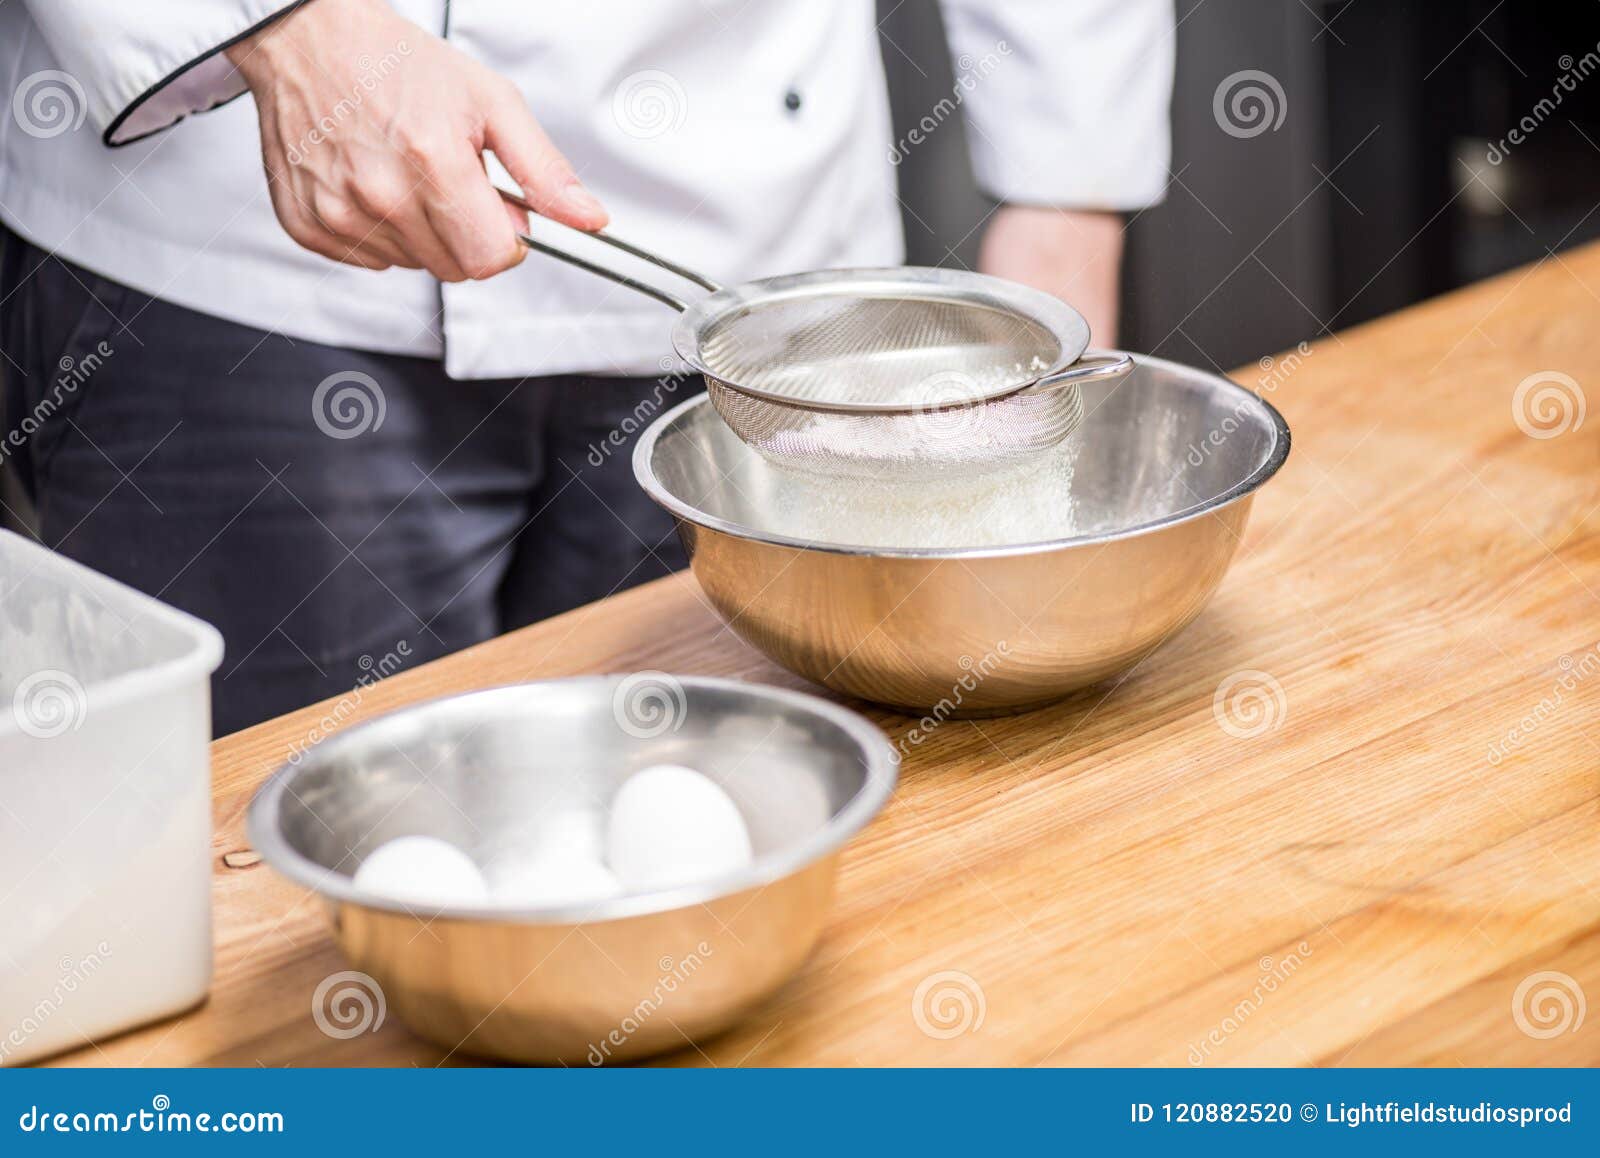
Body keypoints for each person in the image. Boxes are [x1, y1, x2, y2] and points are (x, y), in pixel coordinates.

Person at [0, 0, 1174, 734]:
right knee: (266, 895)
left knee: (700, 850)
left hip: (760, 246)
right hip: (229, 243)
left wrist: (1068, 181)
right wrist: (279, 27)